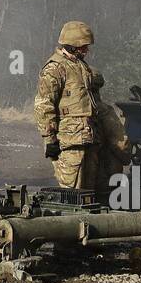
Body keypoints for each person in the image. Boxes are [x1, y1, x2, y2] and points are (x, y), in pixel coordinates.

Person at [35, 21, 109, 192]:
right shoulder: (55, 68)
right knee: (72, 194)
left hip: (88, 139)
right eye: (83, 46)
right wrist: (49, 139)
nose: (86, 50)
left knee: (89, 194)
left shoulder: (81, 66)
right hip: (69, 143)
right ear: (72, 45)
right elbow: (43, 105)